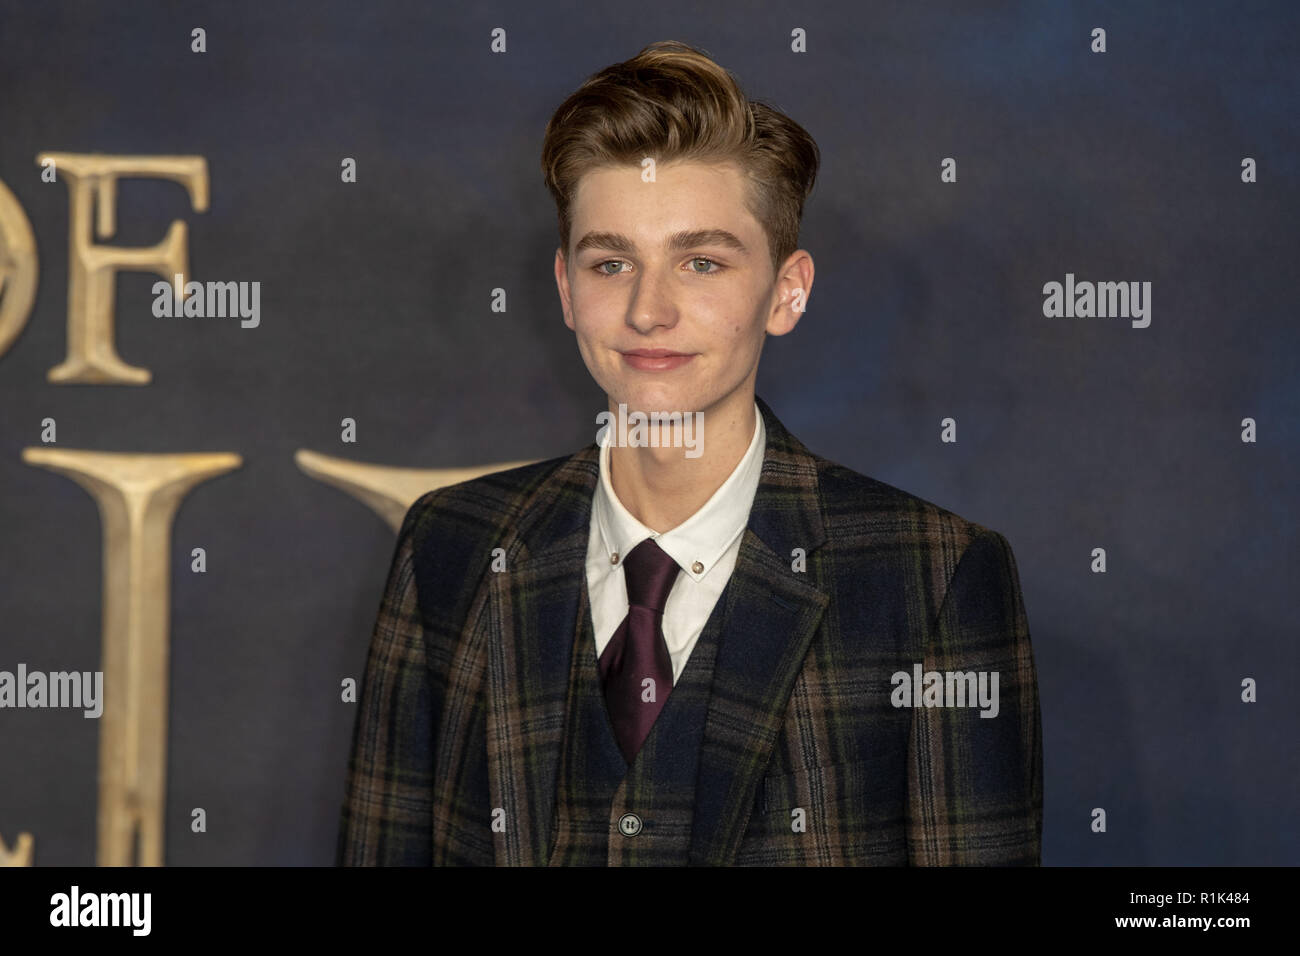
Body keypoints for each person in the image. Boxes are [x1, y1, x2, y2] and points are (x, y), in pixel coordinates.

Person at [337, 40, 1042, 866]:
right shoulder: (452, 548)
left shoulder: (932, 577)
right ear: (566, 290)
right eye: (611, 263)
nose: (647, 310)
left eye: (700, 262)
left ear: (788, 291)